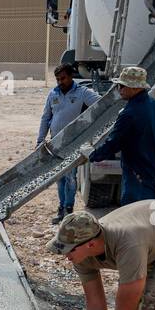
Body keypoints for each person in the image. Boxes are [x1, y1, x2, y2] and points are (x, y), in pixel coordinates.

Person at [88, 64, 155, 206]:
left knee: (133, 219)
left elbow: (114, 143)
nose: (120, 90)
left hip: (138, 176)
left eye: (123, 86)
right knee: (154, 220)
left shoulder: (129, 113)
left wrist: (93, 155)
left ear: (135, 88)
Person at [36, 63, 100, 222]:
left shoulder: (83, 93)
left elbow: (101, 104)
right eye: (57, 79)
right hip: (56, 143)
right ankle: (61, 209)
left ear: (71, 76)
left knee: (70, 177)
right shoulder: (53, 94)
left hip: (73, 143)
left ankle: (69, 210)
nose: (60, 82)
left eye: (63, 78)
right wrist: (40, 140)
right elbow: (46, 118)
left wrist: (88, 126)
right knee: (60, 178)